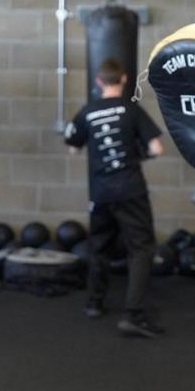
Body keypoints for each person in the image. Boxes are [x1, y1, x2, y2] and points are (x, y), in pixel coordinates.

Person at [64, 58, 165, 338]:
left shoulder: (87, 111)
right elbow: (157, 148)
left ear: (98, 82)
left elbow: (72, 147)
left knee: (99, 247)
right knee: (141, 248)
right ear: (122, 80)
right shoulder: (131, 110)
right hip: (130, 189)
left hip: (101, 192)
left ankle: (94, 303)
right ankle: (133, 314)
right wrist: (137, 156)